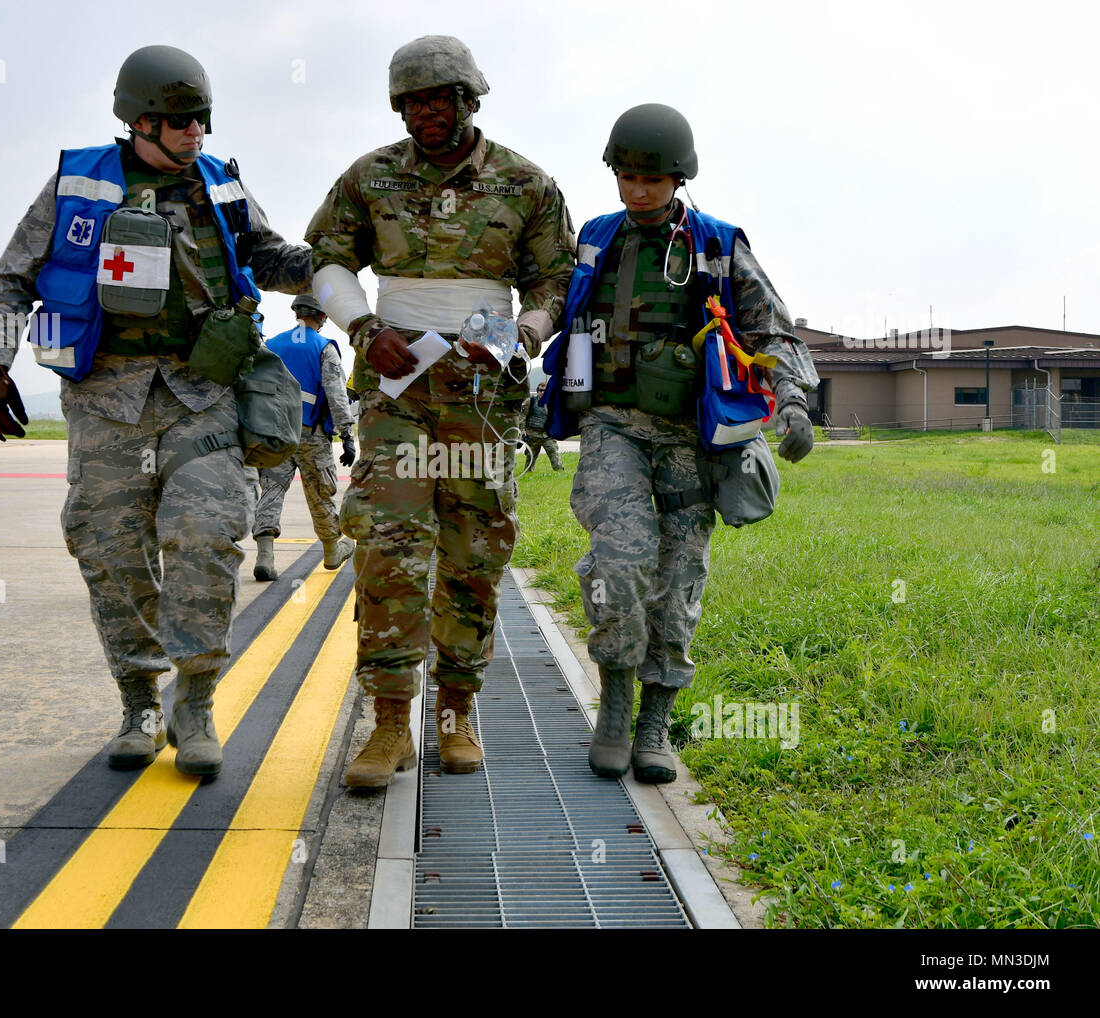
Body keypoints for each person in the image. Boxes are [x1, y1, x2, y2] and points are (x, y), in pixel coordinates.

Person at [0, 45, 311, 778]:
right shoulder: (78, 184)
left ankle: (196, 699)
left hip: (203, 395)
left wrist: (331, 260)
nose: (196, 135)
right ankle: (138, 700)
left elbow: (272, 256)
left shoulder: (220, 185)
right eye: (182, 122)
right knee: (111, 553)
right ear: (139, 121)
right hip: (107, 402)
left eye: (203, 121)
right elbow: (9, 282)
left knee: (208, 538)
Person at [306, 35, 575, 788]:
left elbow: (556, 282)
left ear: (470, 99)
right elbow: (325, 259)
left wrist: (521, 333)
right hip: (397, 392)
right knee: (389, 544)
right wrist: (364, 328)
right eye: (413, 101)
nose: (427, 113)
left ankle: (455, 713)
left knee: (473, 553)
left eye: (441, 99)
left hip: (484, 396)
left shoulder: (526, 184)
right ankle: (389, 722)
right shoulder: (370, 177)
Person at [541, 104, 818, 783]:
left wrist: (792, 400)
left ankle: (655, 721)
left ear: (679, 179)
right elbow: (558, 309)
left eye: (653, 179)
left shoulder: (717, 245)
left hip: (693, 437)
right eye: (627, 176)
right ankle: (614, 702)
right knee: (621, 559)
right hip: (613, 426)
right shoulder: (596, 240)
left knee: (679, 577)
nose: (638, 191)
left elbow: (769, 329)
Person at [251, 293, 357, 580]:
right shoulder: (324, 347)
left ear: (296, 313)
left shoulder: (272, 345)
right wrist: (347, 434)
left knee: (271, 490)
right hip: (311, 434)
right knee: (320, 492)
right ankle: (332, 551)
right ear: (322, 317)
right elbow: (336, 395)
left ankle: (265, 557)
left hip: (274, 432)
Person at [521, 378, 563, 473]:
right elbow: (523, 416)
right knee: (530, 458)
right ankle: (528, 473)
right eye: (540, 390)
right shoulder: (530, 402)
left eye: (545, 390)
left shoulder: (552, 403)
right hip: (533, 435)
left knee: (554, 455)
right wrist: (522, 429)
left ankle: (559, 472)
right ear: (537, 391)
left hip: (547, 435)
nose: (542, 392)